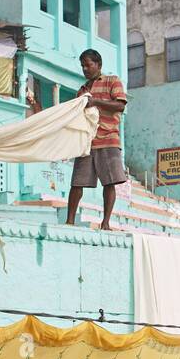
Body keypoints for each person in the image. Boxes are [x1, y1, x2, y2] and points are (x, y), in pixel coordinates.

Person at [64, 49, 128, 230]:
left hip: (108, 139)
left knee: (109, 182)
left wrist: (96, 102)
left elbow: (120, 106)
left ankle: (105, 222)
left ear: (98, 65)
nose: (85, 69)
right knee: (77, 183)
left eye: (88, 65)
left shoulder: (112, 81)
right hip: (86, 141)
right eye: (83, 65)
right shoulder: (82, 90)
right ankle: (69, 221)